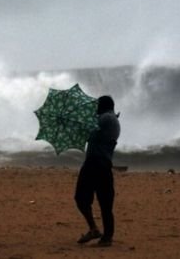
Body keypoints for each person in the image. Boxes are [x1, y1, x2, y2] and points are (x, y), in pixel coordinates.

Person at [75, 95, 121, 247]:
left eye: (96, 105)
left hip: (96, 163)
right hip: (100, 163)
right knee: (103, 202)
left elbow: (89, 129)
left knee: (84, 198)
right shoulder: (111, 120)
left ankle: (102, 234)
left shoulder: (106, 118)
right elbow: (93, 134)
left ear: (103, 106)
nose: (94, 108)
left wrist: (79, 122)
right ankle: (99, 232)